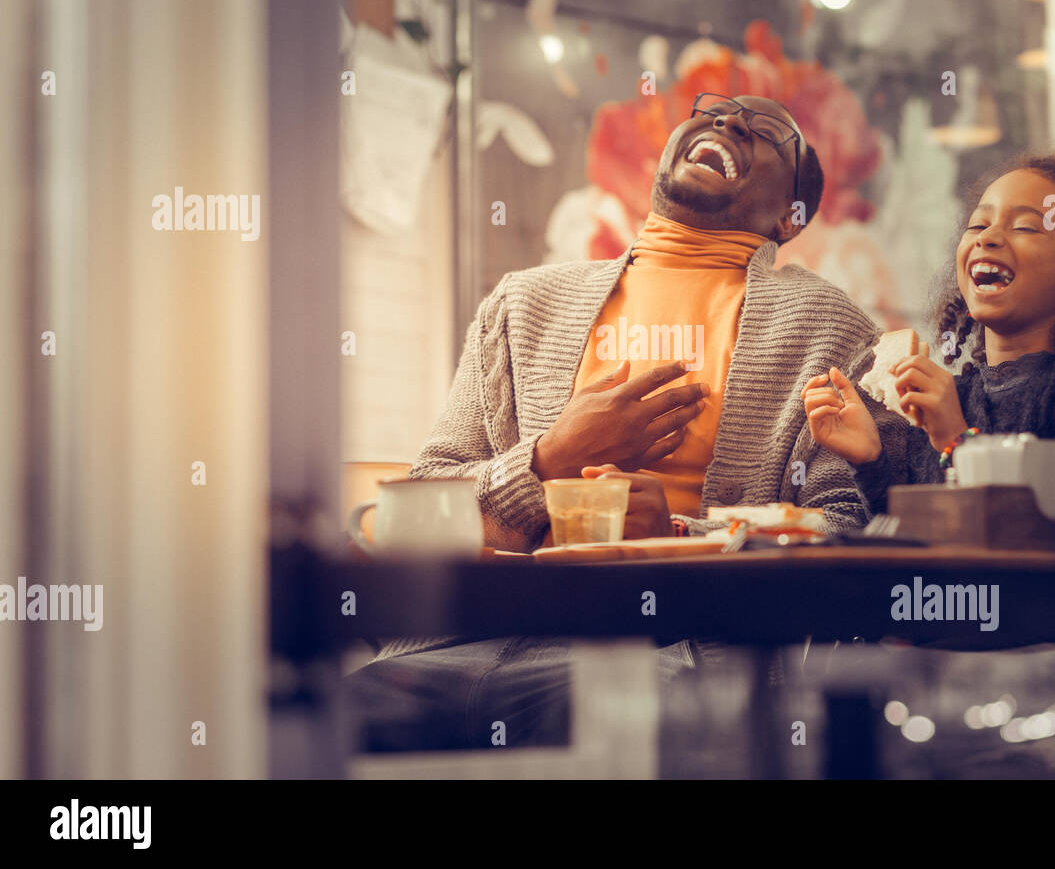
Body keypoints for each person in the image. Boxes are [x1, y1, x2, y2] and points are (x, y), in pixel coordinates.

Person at [348, 94, 890, 751]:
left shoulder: (829, 331)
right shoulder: (523, 303)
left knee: (622, 720)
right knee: (333, 712)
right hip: (464, 640)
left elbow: (843, 535)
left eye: (770, 133)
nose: (731, 123)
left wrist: (679, 536)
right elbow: (426, 504)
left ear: (790, 215)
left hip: (673, 650)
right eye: (714, 112)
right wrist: (550, 457)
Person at [801, 153, 1055, 738]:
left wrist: (955, 438)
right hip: (962, 673)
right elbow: (937, 549)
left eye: (1026, 226)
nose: (990, 236)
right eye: (978, 224)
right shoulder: (962, 391)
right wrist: (873, 458)